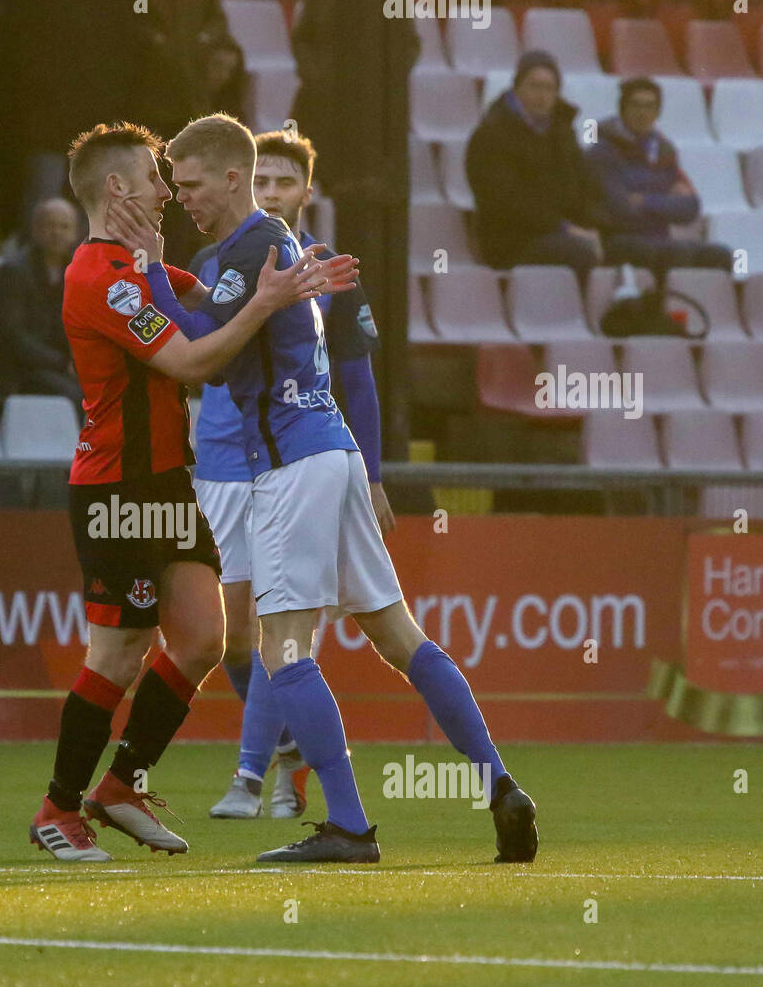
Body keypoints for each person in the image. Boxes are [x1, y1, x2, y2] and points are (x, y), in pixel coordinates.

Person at [119, 112, 538, 863]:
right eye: (175, 187)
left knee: (281, 648)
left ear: (231, 175)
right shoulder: (273, 247)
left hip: (291, 465)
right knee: (396, 633)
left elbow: (194, 348)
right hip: (333, 449)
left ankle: (347, 825)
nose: (183, 198)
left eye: (190, 184)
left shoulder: (249, 247)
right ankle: (500, 783)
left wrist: (148, 269)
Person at [28, 120, 352, 862]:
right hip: (116, 486)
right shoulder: (97, 275)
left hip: (167, 482)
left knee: (209, 637)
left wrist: (278, 291)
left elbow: (216, 302)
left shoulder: (144, 268)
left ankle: (121, 786)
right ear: (117, 189)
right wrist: (265, 304)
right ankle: (58, 806)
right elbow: (196, 359)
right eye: (152, 175)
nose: (165, 189)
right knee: (119, 652)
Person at [203, 129, 394, 822]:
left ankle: (251, 777)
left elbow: (357, 380)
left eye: (287, 182)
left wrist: (371, 475)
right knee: (233, 639)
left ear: (308, 191)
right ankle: (291, 754)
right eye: (265, 182)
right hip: (221, 458)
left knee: (278, 624)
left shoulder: (330, 273)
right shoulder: (217, 259)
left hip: (291, 458)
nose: (274, 192)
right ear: (244, 182)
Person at [465, 50, 607, 272]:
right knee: (578, 252)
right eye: (535, 86)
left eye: (549, 88)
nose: (542, 96)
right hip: (511, 239)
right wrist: (566, 229)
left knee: (621, 247)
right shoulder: (491, 134)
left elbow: (582, 185)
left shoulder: (562, 132)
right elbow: (505, 201)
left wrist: (591, 227)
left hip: (560, 231)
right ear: (517, 87)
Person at [585, 77, 731, 278]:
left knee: (720, 255)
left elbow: (691, 207)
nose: (642, 113)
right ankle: (664, 307)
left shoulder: (664, 150)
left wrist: (645, 200)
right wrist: (665, 197)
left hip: (659, 239)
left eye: (650, 106)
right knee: (674, 253)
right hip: (617, 241)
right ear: (622, 109)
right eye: (635, 105)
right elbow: (621, 210)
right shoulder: (602, 152)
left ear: (658, 112)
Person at [0, 197, 80, 403]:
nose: (57, 233)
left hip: (61, 365)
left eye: (64, 227)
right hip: (20, 368)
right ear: (36, 230)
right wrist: (63, 363)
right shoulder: (12, 272)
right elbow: (10, 336)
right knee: (76, 396)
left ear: (74, 234)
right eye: (50, 225)